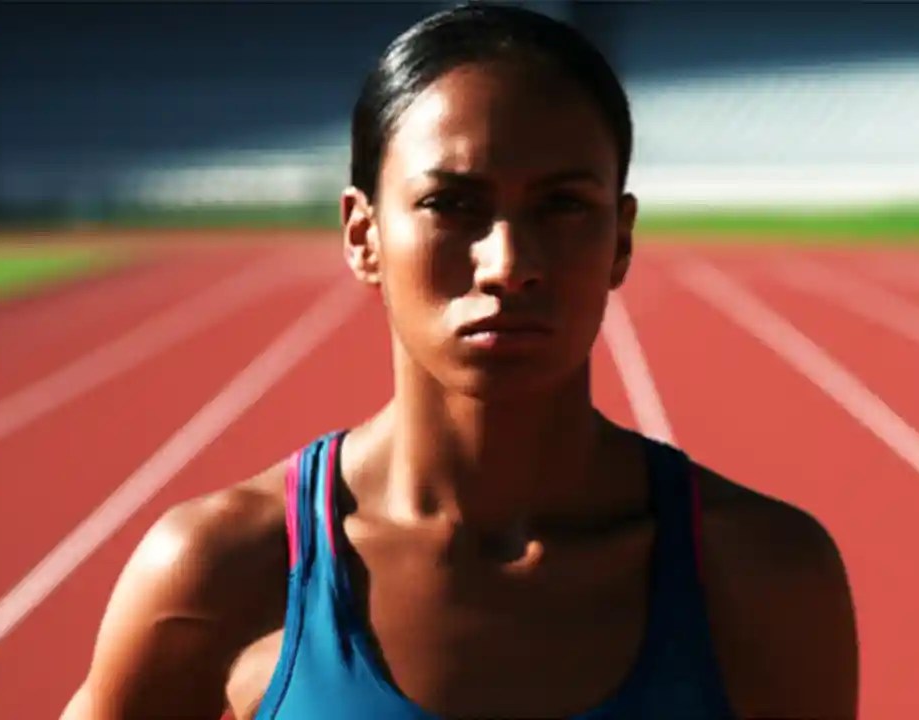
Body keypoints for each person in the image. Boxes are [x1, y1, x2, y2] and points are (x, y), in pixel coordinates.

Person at [62, 3, 859, 718]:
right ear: (362, 234)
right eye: (451, 204)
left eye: (562, 206)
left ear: (620, 239)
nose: (507, 263)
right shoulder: (218, 578)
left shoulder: (763, 578)